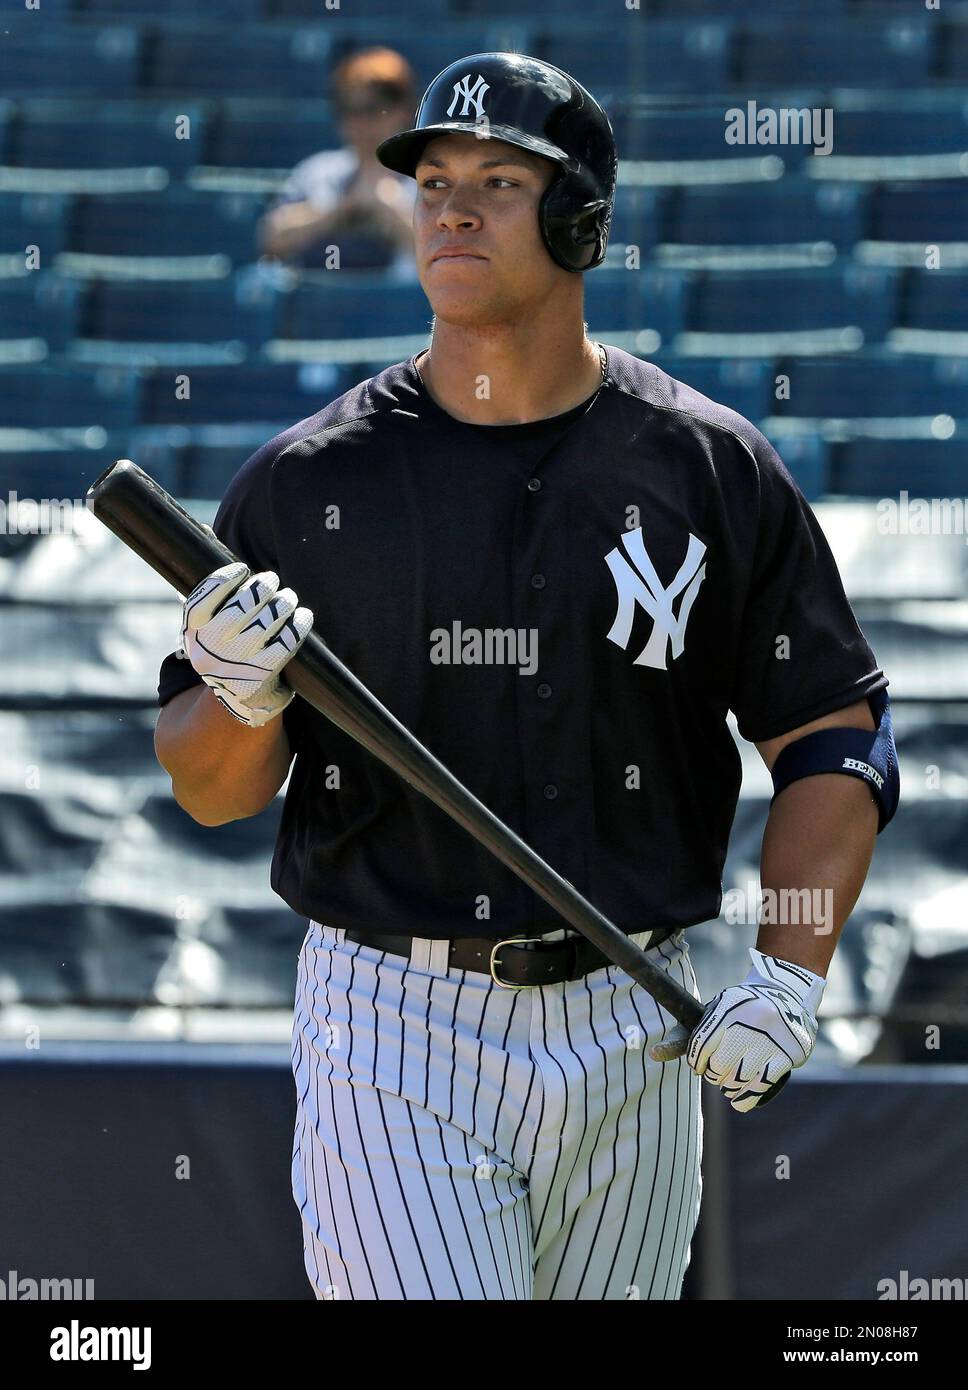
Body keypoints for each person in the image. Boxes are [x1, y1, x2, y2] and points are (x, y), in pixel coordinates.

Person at [154, 52, 899, 1301]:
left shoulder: (708, 466)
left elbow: (830, 732)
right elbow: (211, 791)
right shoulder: (309, 480)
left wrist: (787, 968)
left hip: (636, 1011)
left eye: (497, 181)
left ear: (579, 219)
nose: (448, 207)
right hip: (392, 1016)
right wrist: (240, 697)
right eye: (432, 180)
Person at [258, 47, 418, 274]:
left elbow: (443, 254)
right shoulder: (317, 171)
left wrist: (388, 206)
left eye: (373, 109)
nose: (360, 124)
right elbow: (271, 239)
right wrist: (340, 208)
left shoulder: (429, 175)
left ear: (404, 110)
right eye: (349, 111)